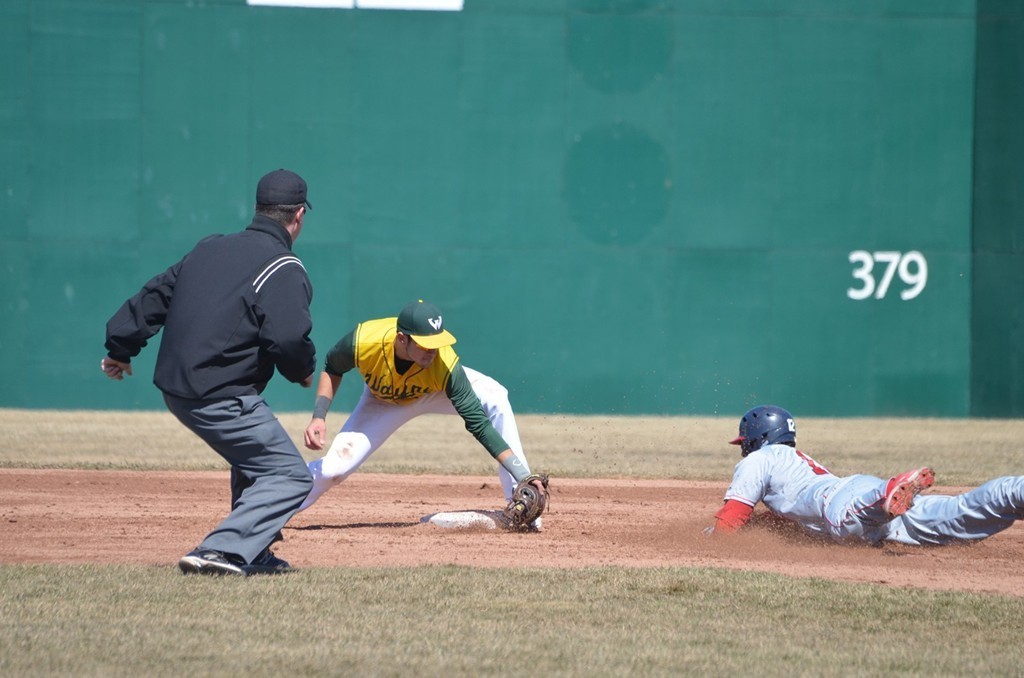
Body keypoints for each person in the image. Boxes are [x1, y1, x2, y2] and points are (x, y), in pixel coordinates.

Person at [102, 169, 318, 576]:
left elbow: (155, 296)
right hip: (219, 393)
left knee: (256, 459)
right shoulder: (283, 266)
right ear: (299, 215)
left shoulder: (210, 248)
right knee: (290, 477)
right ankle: (222, 550)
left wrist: (121, 348)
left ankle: (255, 550)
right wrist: (302, 370)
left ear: (257, 208)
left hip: (177, 386)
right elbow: (289, 339)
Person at [299, 299, 542, 528]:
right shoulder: (364, 340)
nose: (433, 351)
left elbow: (479, 424)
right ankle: (272, 499)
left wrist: (523, 474)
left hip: (436, 391)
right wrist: (319, 416)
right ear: (402, 339)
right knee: (333, 469)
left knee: (496, 397)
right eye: (426, 345)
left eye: (437, 342)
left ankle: (521, 499)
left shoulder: (444, 363)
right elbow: (332, 367)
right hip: (383, 401)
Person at [709, 404, 1024, 546]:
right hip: (874, 512)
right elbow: (782, 522)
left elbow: (732, 520)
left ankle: (887, 492)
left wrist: (709, 541)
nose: (742, 450)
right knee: (959, 512)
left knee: (847, 519)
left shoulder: (760, 459)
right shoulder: (792, 461)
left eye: (744, 443)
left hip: (843, 501)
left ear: (757, 438)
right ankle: (1015, 492)